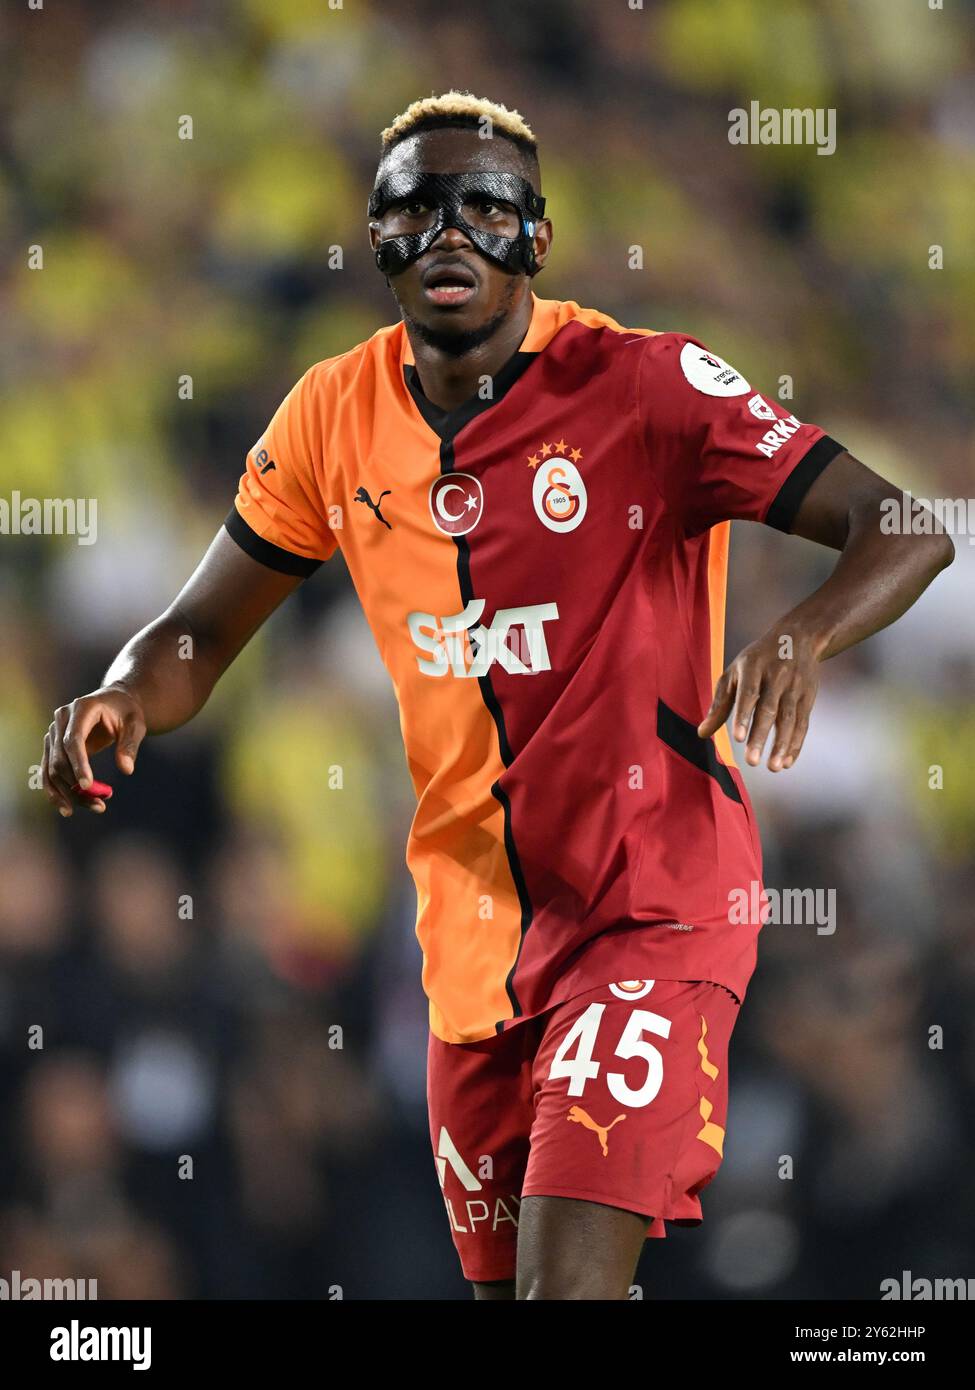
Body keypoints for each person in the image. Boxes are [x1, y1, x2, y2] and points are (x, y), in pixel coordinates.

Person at [41, 91, 954, 1300]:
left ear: (537, 237)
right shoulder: (333, 415)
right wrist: (122, 695)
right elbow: (200, 635)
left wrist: (804, 626)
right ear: (377, 238)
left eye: (486, 206)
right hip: (473, 953)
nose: (451, 231)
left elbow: (903, 525)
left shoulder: (649, 384)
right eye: (418, 206)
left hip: (651, 905)